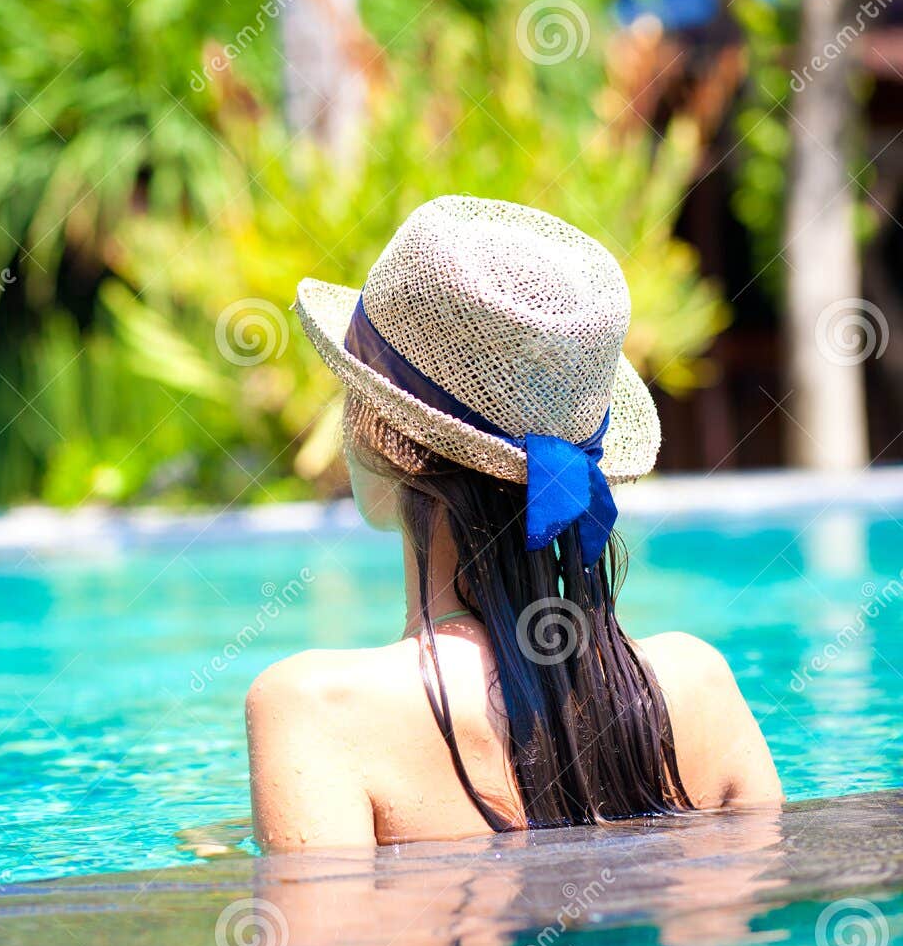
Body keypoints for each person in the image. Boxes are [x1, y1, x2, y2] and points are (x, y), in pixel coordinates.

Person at [246, 196, 781, 849]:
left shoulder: (316, 715)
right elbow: (732, 942)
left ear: (388, 436)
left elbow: (335, 945)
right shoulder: (700, 689)